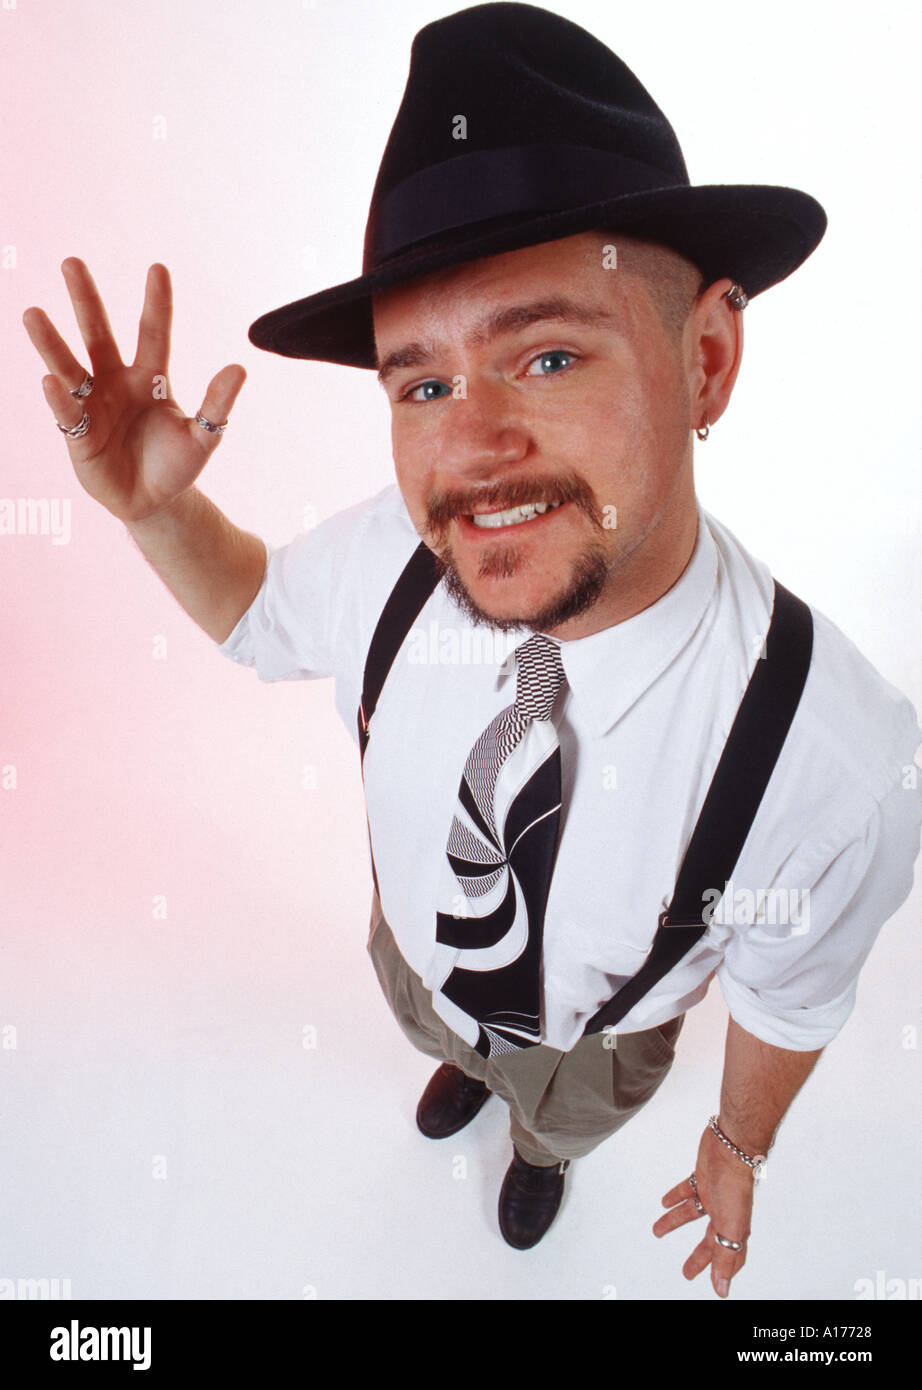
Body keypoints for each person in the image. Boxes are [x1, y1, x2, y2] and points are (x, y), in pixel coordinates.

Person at [23, 3, 921, 1298]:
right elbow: (261, 613)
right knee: (436, 1017)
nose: (470, 447)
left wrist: (735, 1144)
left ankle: (537, 1147)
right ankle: (456, 1054)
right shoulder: (394, 554)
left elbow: (789, 997)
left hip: (588, 1045)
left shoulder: (840, 763)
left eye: (546, 353)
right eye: (422, 384)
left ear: (706, 357)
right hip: (416, 956)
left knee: (552, 1107)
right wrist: (160, 512)